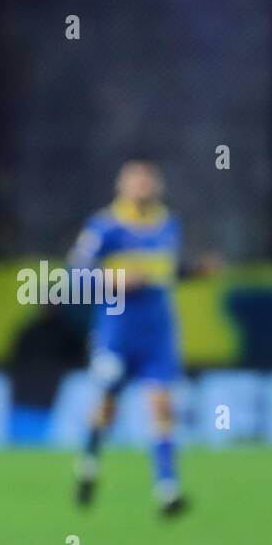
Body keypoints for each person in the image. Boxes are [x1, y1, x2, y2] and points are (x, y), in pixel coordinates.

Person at [70, 159, 189, 516]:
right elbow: (75, 274)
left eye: (148, 182)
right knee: (107, 404)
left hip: (157, 333)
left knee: (162, 404)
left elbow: (167, 272)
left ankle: (167, 487)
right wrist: (113, 281)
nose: (143, 188)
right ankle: (89, 462)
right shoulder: (105, 227)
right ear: (122, 187)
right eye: (136, 182)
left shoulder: (168, 225)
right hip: (116, 332)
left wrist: (196, 269)